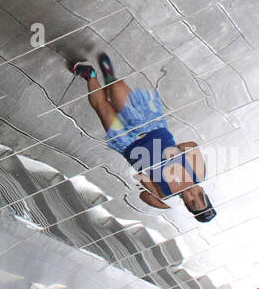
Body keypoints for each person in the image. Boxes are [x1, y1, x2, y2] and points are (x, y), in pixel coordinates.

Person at [70, 52, 216, 222]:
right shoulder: (198, 173)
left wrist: (159, 202)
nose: (192, 196)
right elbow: (190, 145)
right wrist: (174, 152)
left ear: (186, 205)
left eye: (192, 202)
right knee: (117, 90)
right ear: (203, 193)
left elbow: (140, 184)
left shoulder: (164, 194)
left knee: (102, 107)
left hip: (128, 144)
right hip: (151, 128)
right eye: (198, 197)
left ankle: (90, 76)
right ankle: (110, 78)